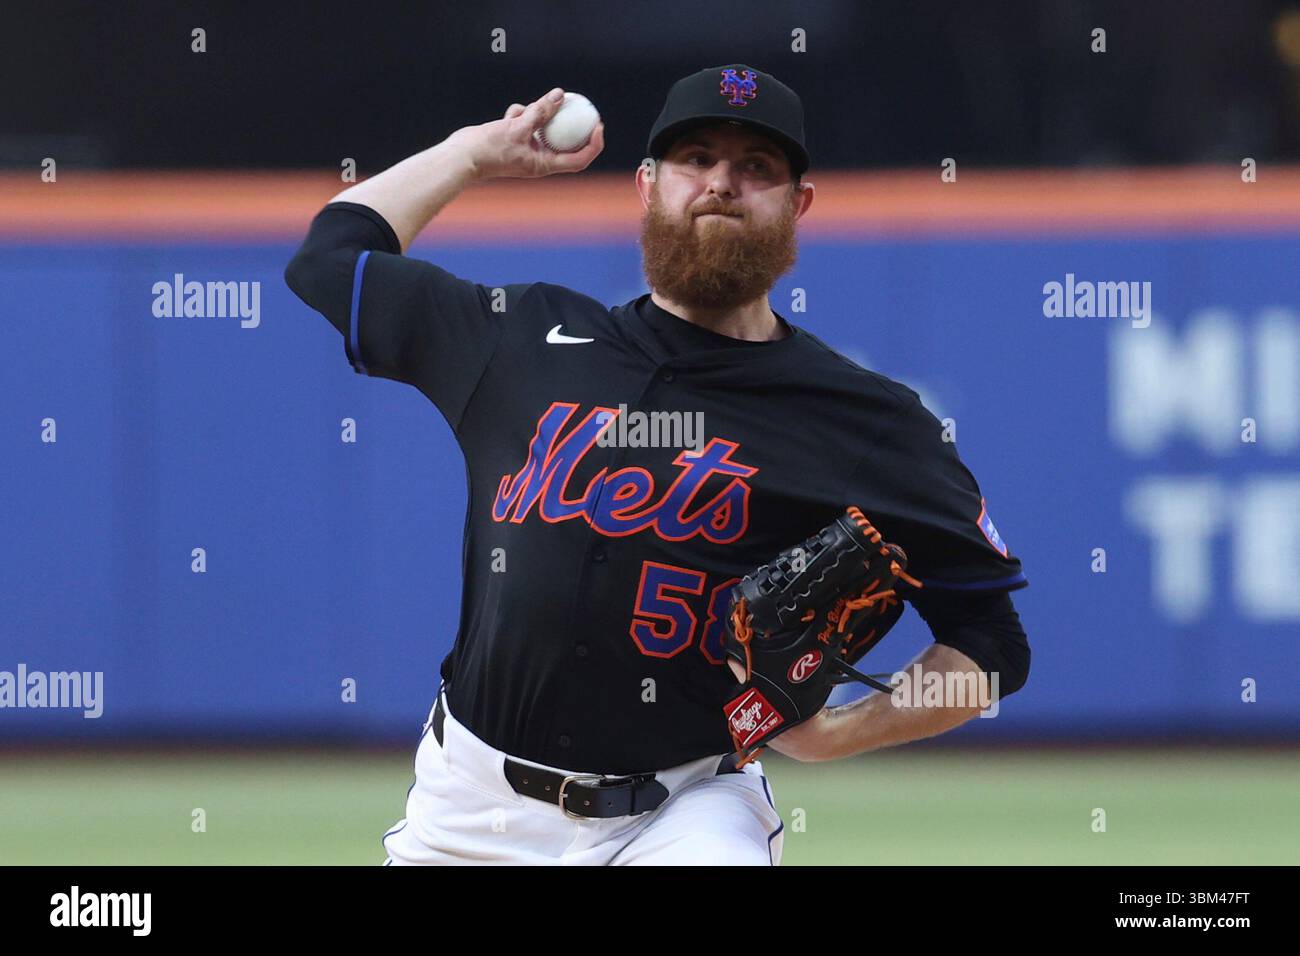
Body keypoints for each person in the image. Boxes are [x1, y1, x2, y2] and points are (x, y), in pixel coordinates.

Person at [284, 64, 1030, 866]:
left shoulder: (869, 421)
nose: (722, 183)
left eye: (758, 168)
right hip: (470, 811)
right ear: (647, 185)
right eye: (696, 158)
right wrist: (472, 153)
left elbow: (991, 644)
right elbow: (329, 258)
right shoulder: (517, 338)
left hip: (687, 809)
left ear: (797, 205)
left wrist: (837, 732)